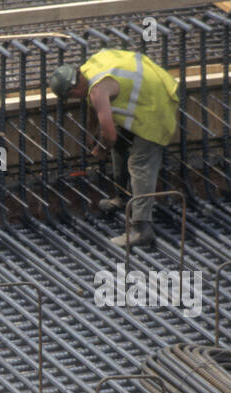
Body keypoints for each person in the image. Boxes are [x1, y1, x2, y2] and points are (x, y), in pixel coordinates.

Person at [49, 49, 180, 248]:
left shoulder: (97, 89)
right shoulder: (88, 70)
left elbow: (108, 134)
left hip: (156, 106)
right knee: (119, 144)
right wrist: (91, 131)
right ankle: (123, 198)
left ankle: (142, 229)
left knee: (139, 164)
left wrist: (101, 148)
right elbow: (94, 106)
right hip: (147, 93)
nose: (75, 99)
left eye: (71, 96)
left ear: (73, 90)